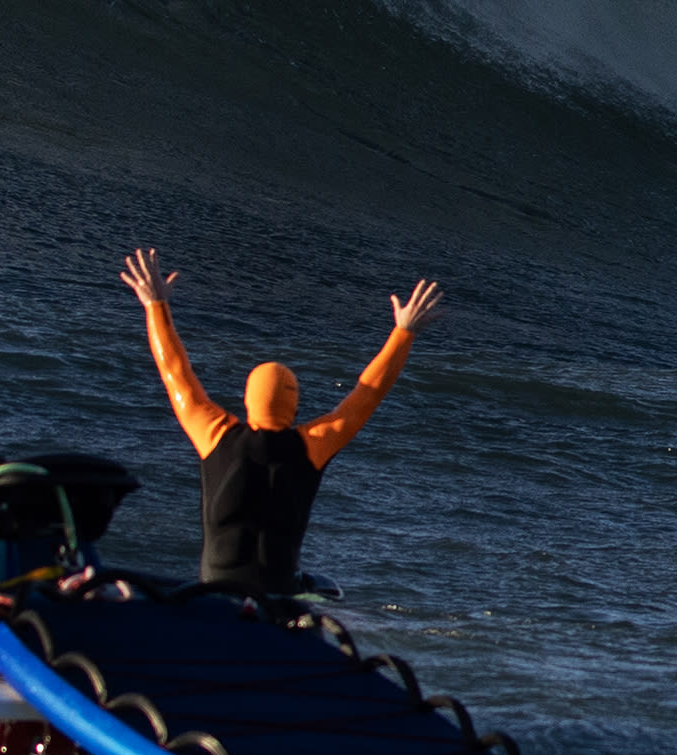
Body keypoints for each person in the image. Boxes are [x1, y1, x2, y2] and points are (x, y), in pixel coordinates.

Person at [119, 246, 444, 595]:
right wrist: (403, 333)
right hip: (279, 596)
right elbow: (367, 394)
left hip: (216, 592)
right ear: (294, 403)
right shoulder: (312, 446)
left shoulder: (214, 434)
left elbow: (175, 373)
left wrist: (155, 306)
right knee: (325, 591)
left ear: (247, 398)